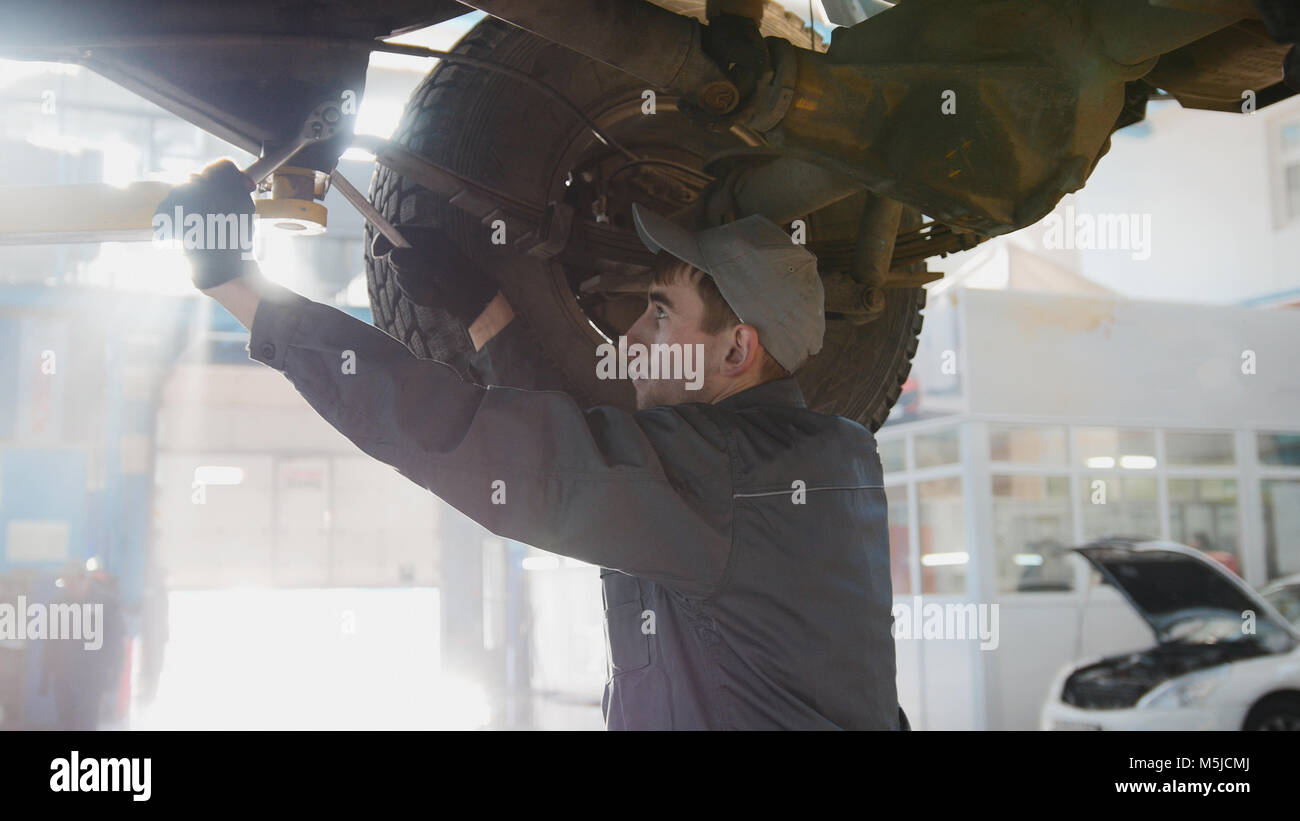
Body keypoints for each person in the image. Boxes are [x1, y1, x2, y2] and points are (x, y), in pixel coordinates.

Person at [156, 160, 901, 730]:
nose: (631, 335)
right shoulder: (806, 457)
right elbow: (585, 449)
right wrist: (484, 309)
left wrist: (242, 289)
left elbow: (493, 447)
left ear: (738, 350)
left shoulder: (731, 477)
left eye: (660, 315)